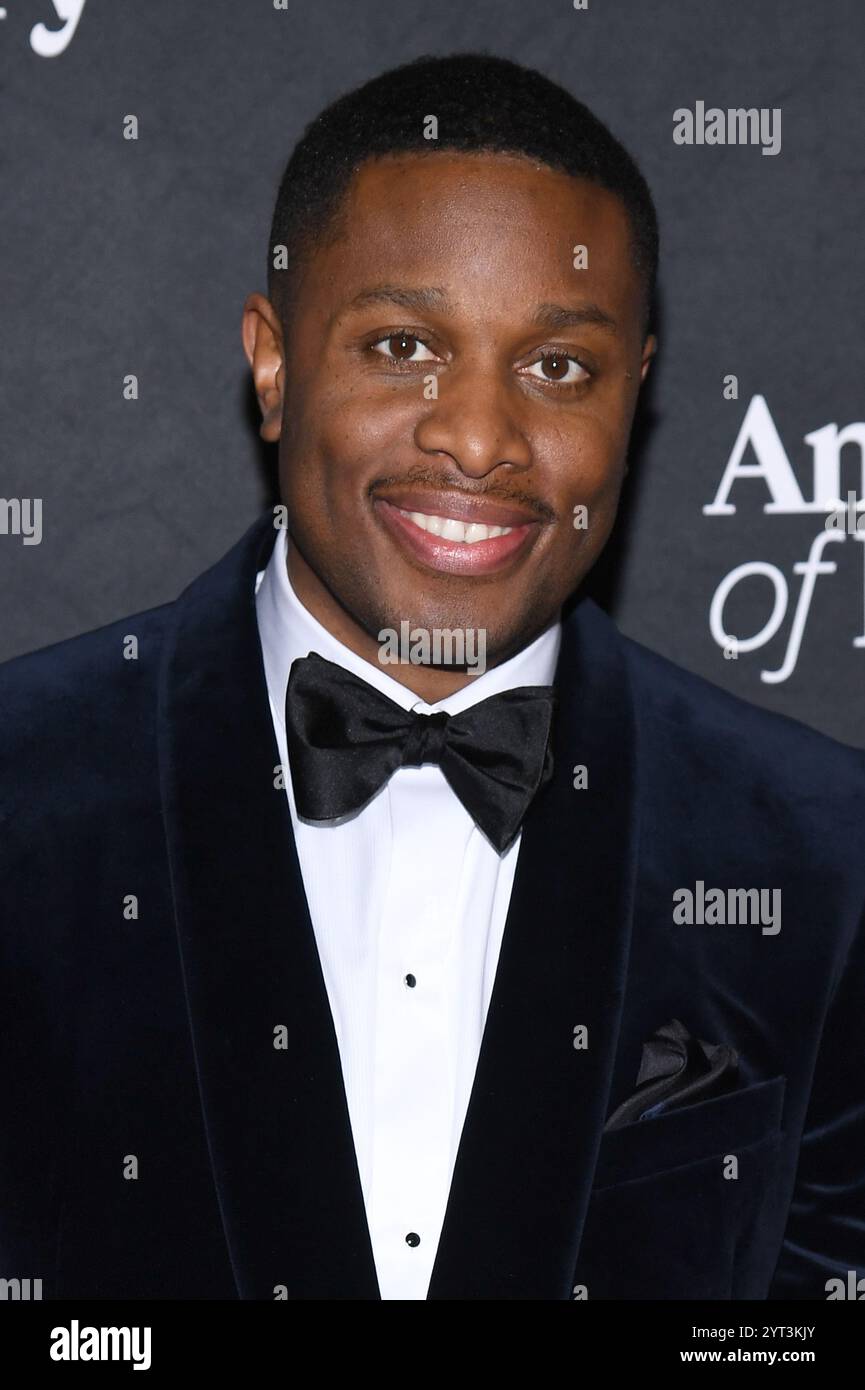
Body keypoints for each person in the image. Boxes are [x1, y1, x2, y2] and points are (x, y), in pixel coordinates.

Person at [1, 52, 863, 1302]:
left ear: (637, 389)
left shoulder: (818, 860)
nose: (476, 434)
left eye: (558, 367)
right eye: (404, 345)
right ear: (274, 362)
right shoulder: (24, 801)